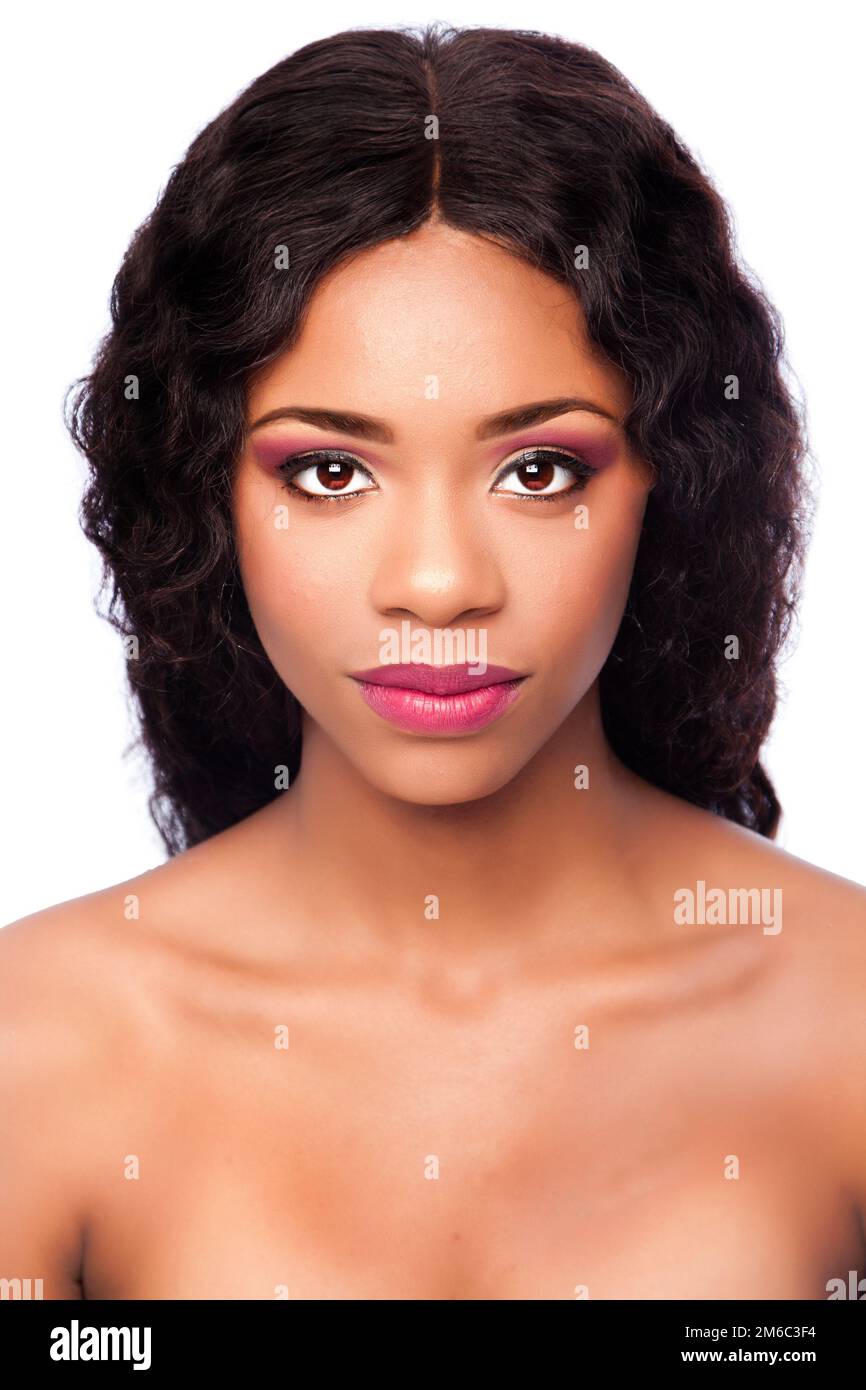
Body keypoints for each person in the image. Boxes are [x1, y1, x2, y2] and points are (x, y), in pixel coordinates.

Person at [2, 22, 864, 1301]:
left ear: (666, 484)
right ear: (206, 494)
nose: (439, 583)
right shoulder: (37, 1048)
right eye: (329, 471)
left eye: (537, 470)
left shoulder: (842, 1024)